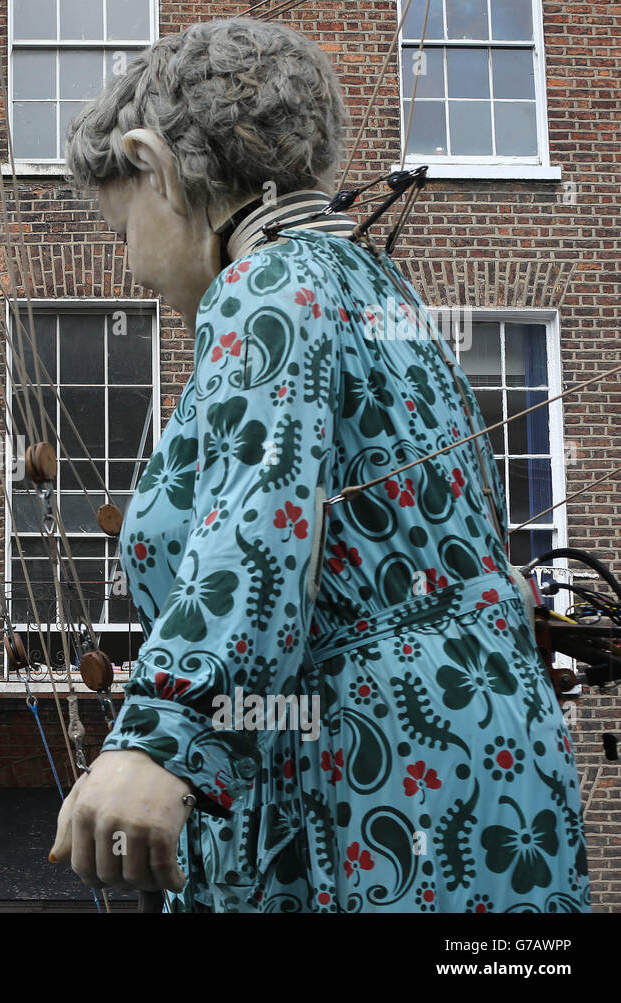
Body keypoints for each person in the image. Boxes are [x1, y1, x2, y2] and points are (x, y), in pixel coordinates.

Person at [48, 17, 590, 912]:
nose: (131, 264)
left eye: (120, 227)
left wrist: (161, 736)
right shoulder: (383, 291)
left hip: (364, 791)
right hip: (492, 783)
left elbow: (259, 521)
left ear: (154, 165)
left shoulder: (264, 287)